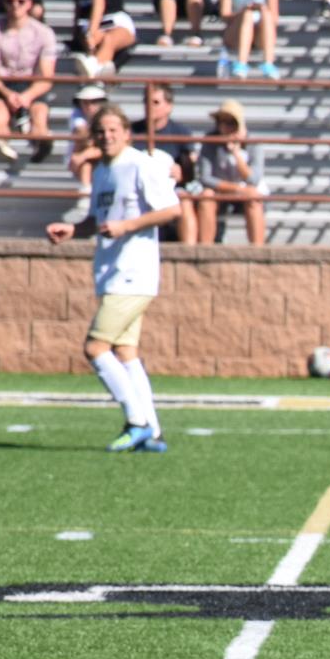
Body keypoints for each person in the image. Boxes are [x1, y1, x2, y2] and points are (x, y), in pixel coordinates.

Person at [46, 104, 181, 453]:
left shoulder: (139, 164)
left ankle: (136, 421)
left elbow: (171, 209)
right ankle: (152, 433)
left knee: (94, 347)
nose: (107, 136)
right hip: (111, 271)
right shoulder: (103, 171)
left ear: (126, 133)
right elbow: (97, 219)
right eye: (101, 131)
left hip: (134, 273)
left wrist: (127, 226)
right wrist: (73, 229)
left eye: (113, 130)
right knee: (125, 351)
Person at [0, 0, 58, 162]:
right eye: (10, 1)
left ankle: (40, 142)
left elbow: (46, 77)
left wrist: (26, 97)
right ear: (4, 3)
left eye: (20, 1)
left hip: (31, 84)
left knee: (39, 112)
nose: (15, 5)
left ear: (29, 4)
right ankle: (2, 143)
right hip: (2, 85)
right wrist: (8, 94)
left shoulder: (44, 33)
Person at [130, 82, 200, 241]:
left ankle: (189, 256)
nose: (149, 106)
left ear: (169, 106)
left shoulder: (180, 133)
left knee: (185, 201)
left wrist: (182, 173)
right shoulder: (131, 132)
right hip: (137, 188)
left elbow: (191, 172)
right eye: (146, 101)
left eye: (155, 102)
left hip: (170, 190)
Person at [195, 98, 268, 245]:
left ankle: (258, 251)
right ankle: (204, 252)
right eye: (222, 122)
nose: (225, 127)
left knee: (254, 198)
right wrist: (237, 189)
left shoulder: (253, 144)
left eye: (231, 123)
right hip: (221, 191)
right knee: (206, 198)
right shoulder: (210, 141)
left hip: (246, 193)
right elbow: (205, 178)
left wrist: (236, 151)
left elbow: (253, 179)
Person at [66, 80, 110, 191]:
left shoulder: (110, 118)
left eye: (94, 102)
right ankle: (86, 193)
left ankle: (86, 194)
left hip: (104, 159)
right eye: (85, 102)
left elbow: (110, 147)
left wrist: (84, 155)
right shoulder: (77, 117)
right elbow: (83, 136)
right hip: (81, 161)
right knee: (87, 163)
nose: (89, 106)